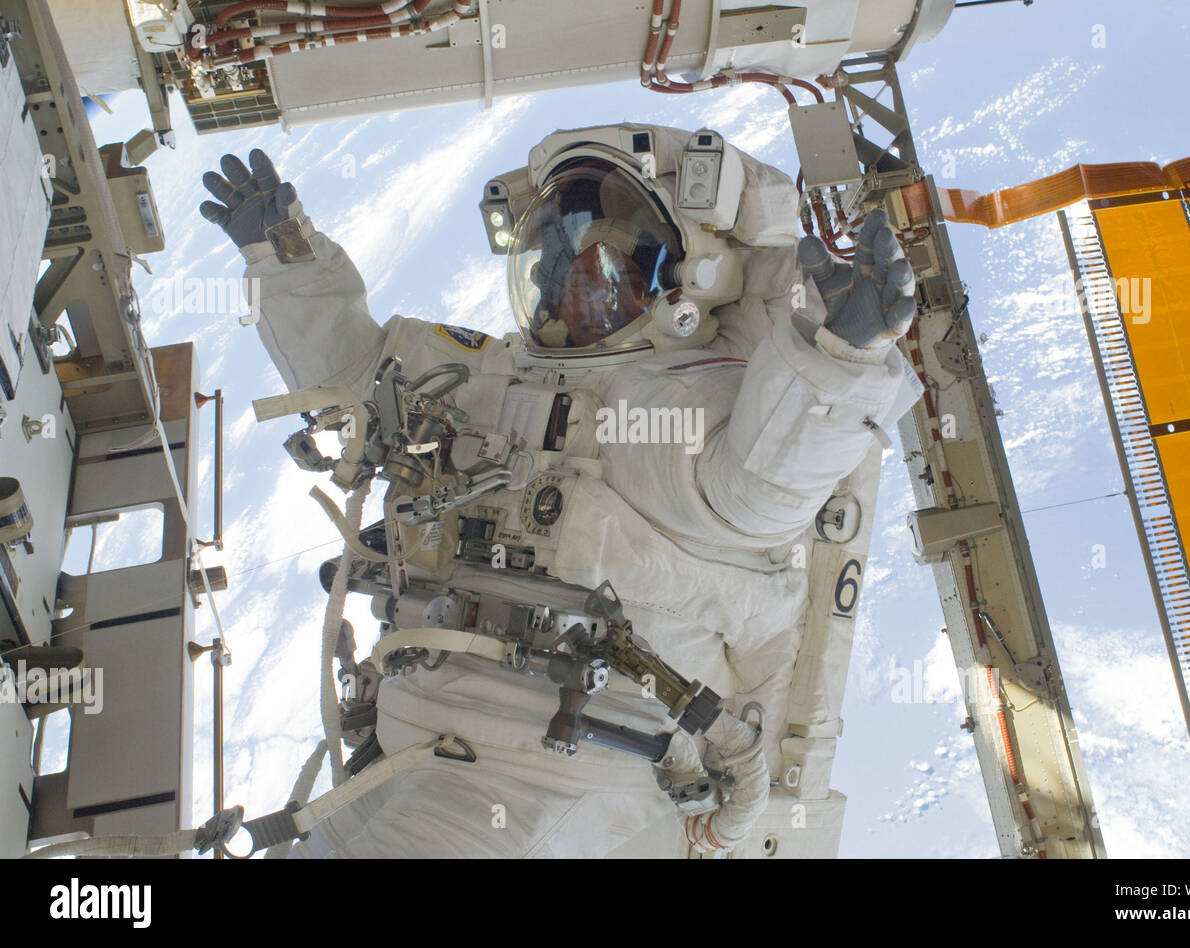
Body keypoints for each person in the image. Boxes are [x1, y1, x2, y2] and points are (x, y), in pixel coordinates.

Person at [199, 125, 917, 857]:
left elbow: (767, 482)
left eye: (616, 267)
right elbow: (356, 370)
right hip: (407, 733)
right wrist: (286, 254)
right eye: (563, 258)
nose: (579, 284)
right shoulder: (482, 376)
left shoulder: (692, 408)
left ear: (687, 284)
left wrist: (839, 359)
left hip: (555, 775)